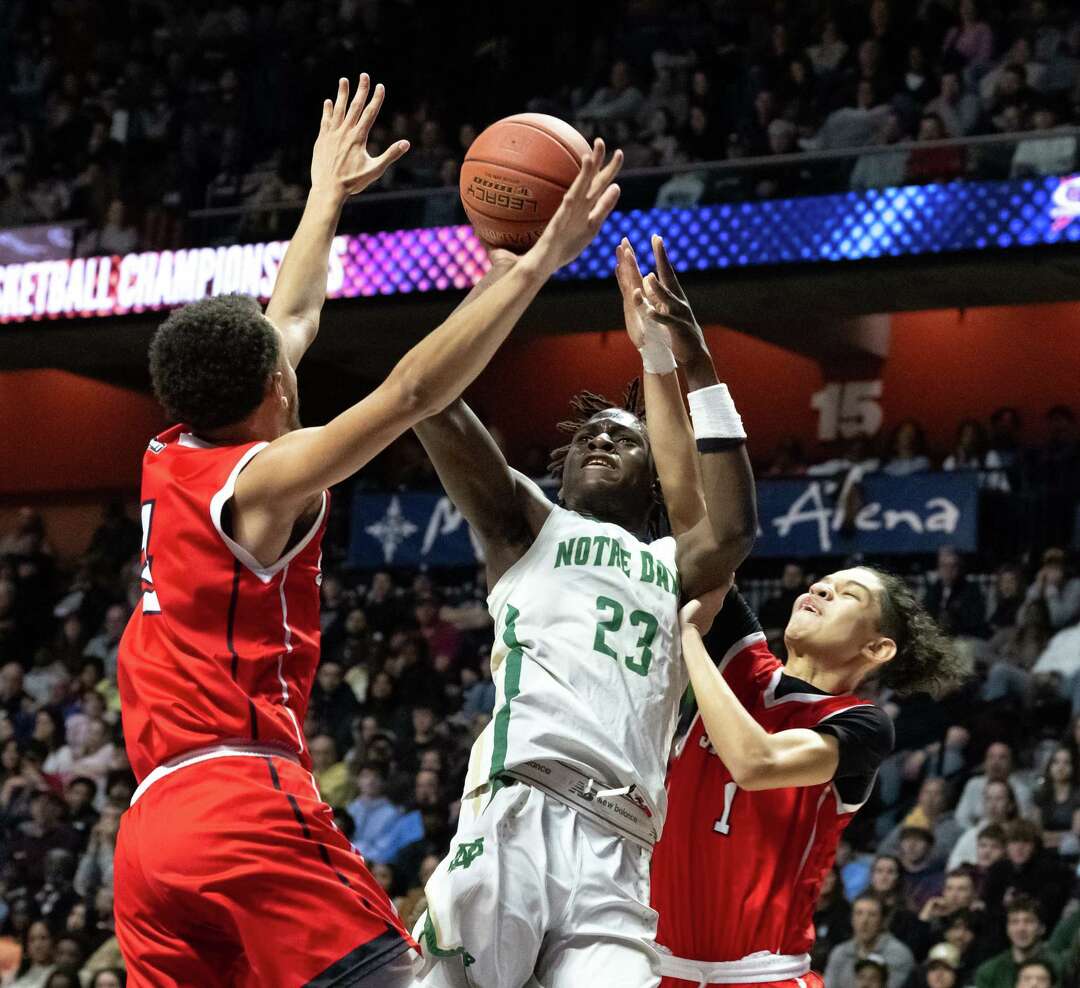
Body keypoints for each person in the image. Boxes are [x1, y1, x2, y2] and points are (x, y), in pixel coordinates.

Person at [113, 74, 623, 988]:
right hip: (239, 802)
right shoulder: (264, 478)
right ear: (277, 386)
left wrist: (325, 197)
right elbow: (411, 393)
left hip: (149, 834)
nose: (292, 348)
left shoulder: (173, 449)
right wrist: (539, 260)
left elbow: (293, 314)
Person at [412, 235, 756, 987]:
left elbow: (734, 529)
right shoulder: (526, 525)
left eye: (623, 440)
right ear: (560, 470)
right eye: (588, 437)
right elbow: (430, 401)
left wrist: (695, 362)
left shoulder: (673, 566)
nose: (601, 438)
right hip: (520, 808)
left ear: (653, 483)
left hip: (621, 846)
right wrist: (503, 285)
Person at [647, 371, 967, 985]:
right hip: (659, 970)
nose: (820, 588)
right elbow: (689, 505)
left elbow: (756, 762)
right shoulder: (740, 658)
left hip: (762, 977)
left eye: (846, 595)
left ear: (877, 647)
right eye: (824, 582)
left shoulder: (860, 725)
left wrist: (689, 640)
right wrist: (667, 361)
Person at [823, 894, 916, 988]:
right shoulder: (839, 953)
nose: (864, 921)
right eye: (859, 913)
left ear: (883, 921)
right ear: (851, 919)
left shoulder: (899, 954)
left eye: (872, 915)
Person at [974, 897, 1061, 988]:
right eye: (1014, 922)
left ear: (1041, 928)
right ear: (1007, 929)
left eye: (1029, 921)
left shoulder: (1058, 966)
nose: (1021, 929)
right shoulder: (989, 971)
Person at [955, 744, 1034, 829]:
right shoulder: (973, 784)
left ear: (1010, 763)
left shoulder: (1021, 790)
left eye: (1002, 758)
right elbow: (961, 817)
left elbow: (1022, 822)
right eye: (991, 757)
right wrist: (977, 833)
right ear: (985, 762)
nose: (996, 762)